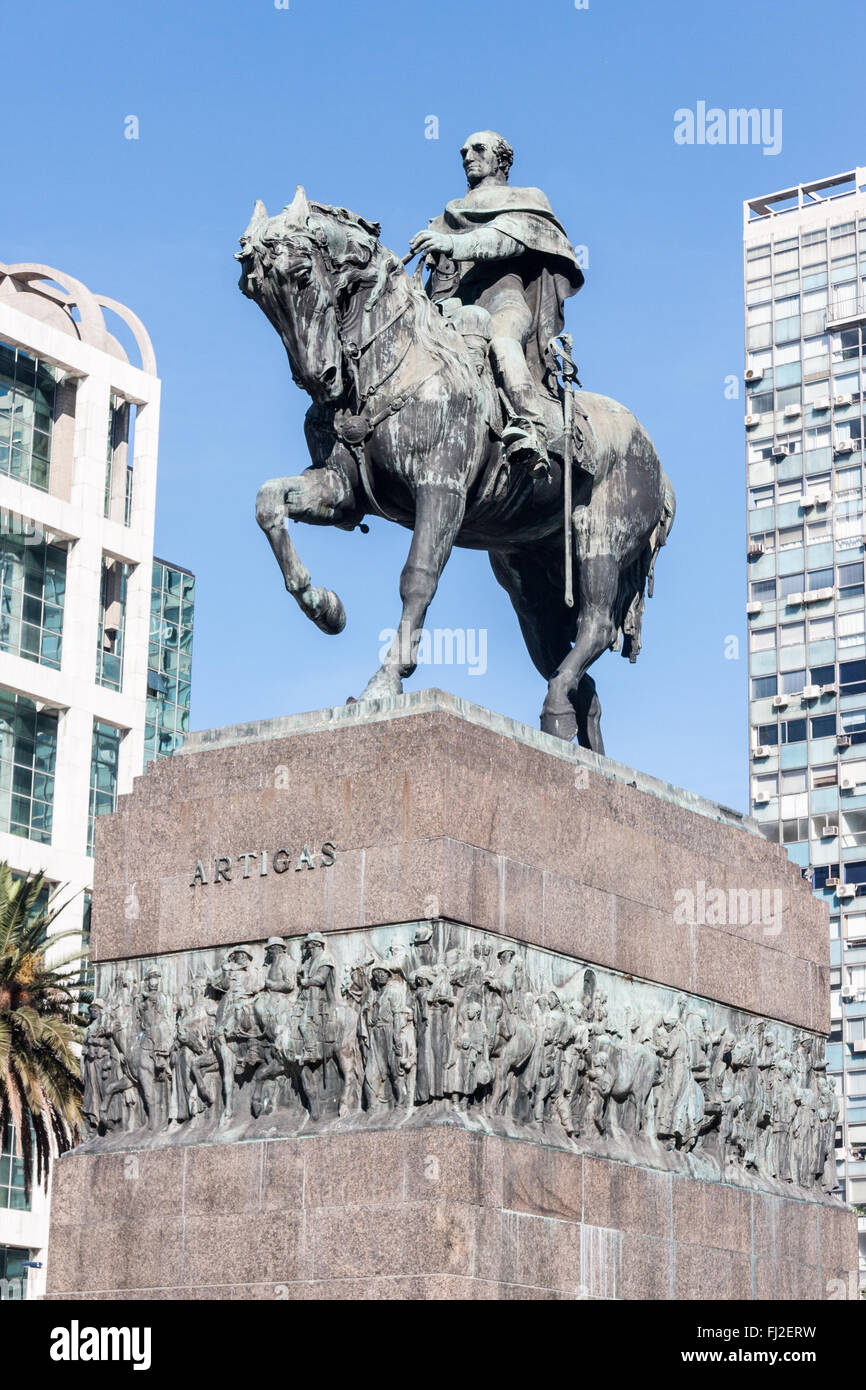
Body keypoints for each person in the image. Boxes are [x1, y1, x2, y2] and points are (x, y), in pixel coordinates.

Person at [410, 130, 583, 478]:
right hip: (460, 311)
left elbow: (505, 239)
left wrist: (452, 244)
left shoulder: (525, 199)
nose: (467, 156)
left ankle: (531, 428)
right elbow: (438, 285)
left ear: (501, 159)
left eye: (477, 149)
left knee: (503, 342)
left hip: (505, 303)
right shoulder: (448, 215)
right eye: (463, 152)